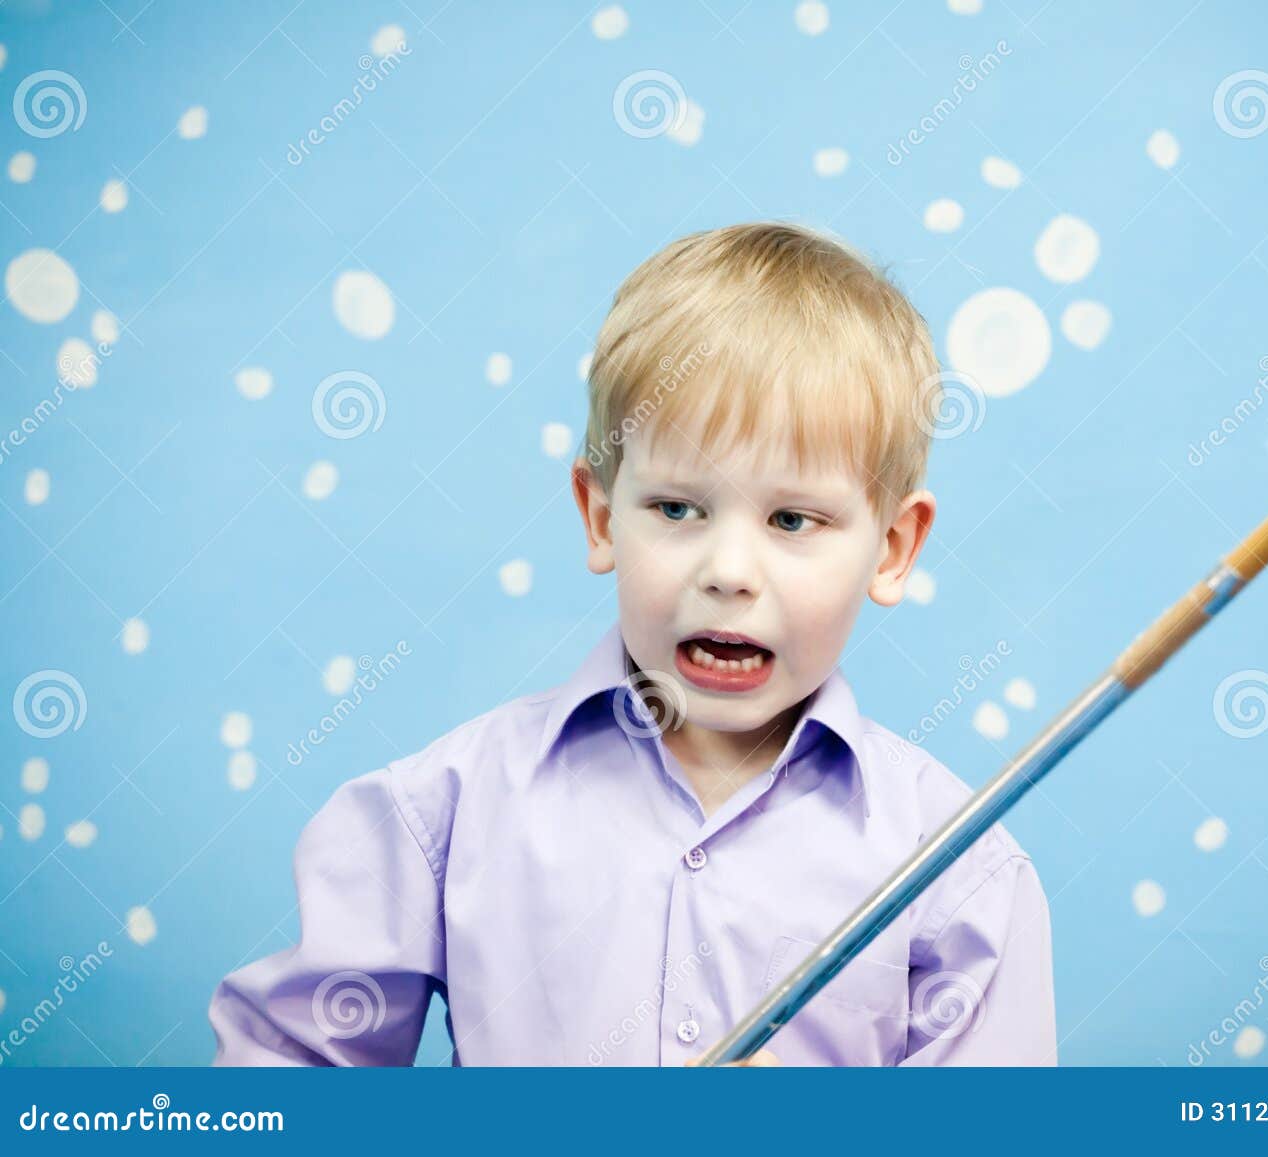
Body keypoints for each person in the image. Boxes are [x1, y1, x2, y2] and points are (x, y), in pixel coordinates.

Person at [209, 222, 1057, 1066]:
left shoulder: (960, 872)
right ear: (602, 514)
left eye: (793, 519)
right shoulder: (447, 813)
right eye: (678, 509)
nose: (728, 571)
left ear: (894, 548)